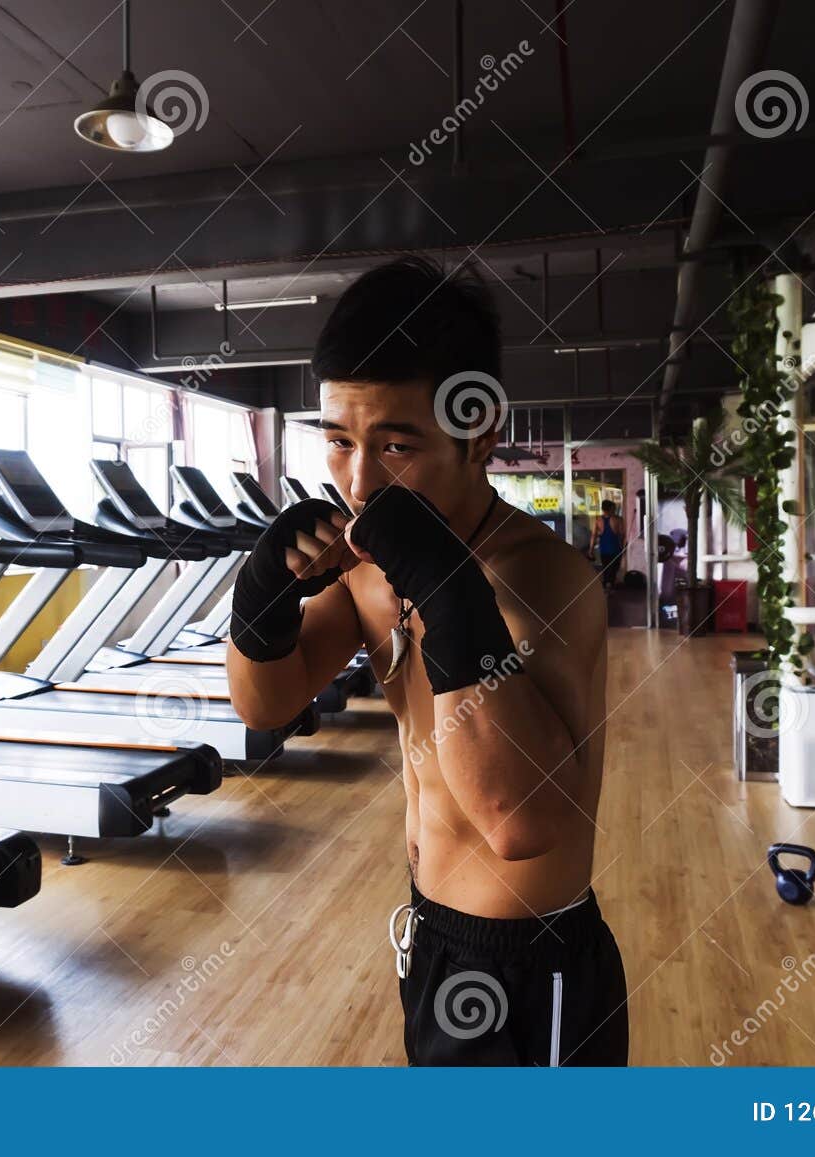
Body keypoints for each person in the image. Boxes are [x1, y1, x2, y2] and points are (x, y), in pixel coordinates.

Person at [226, 257, 627, 1067]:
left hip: (529, 967)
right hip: (434, 934)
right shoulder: (371, 569)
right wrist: (259, 599)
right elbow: (267, 706)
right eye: (339, 441)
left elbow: (520, 823)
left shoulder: (542, 580)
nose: (360, 479)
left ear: (481, 429)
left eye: (396, 444)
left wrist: (452, 596)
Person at [592, 500, 625, 587]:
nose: (615, 510)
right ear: (611, 508)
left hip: (603, 550)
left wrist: (590, 550)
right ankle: (610, 585)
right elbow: (622, 535)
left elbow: (593, 536)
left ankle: (606, 584)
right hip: (615, 549)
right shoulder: (618, 519)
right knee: (614, 569)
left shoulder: (598, 520)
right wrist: (623, 546)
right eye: (614, 508)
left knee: (605, 568)